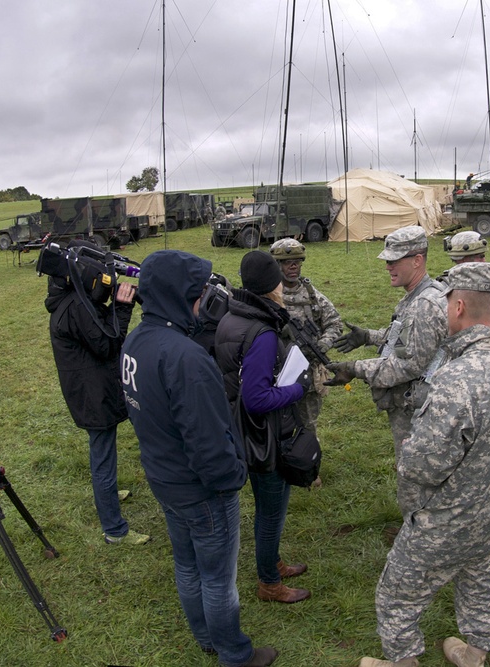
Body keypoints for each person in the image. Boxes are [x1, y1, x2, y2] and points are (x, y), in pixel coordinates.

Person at [359, 263, 490, 667]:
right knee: (479, 580)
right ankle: (475, 650)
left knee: (397, 594)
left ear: (458, 307)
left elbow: (422, 467)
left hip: (447, 519)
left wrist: (409, 447)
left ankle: (403, 660)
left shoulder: (454, 381)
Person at [121, 250, 276, 667]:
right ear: (180, 294)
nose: (205, 297)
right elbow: (207, 442)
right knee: (217, 578)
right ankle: (234, 653)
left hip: (164, 478)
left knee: (187, 564)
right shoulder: (186, 358)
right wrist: (232, 478)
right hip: (201, 489)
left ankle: (206, 637)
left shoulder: (135, 340)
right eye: (198, 290)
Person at [215, 250, 311, 604]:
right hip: (263, 436)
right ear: (272, 286)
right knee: (272, 511)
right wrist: (297, 388)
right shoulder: (263, 332)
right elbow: (257, 398)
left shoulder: (232, 316)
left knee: (267, 507)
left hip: (240, 427)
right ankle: (269, 581)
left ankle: (273, 562)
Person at [44, 240, 148, 545]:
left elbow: (97, 326)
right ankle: (114, 529)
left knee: (102, 449)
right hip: (92, 394)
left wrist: (107, 300)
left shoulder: (70, 300)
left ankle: (108, 494)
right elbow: (107, 342)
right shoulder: (75, 307)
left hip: (90, 389)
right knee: (102, 453)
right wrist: (122, 306)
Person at [325, 226, 448, 457]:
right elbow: (406, 341)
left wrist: (355, 368)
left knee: (415, 477)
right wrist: (369, 336)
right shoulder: (417, 297)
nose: (387, 267)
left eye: (394, 261)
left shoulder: (425, 305)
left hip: (421, 413)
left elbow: (408, 364)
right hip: (415, 405)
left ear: (417, 260)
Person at [269, 238, 342, 485]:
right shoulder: (269, 295)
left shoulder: (312, 295)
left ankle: (308, 469)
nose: (293, 267)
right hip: (275, 371)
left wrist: (323, 343)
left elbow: (334, 322)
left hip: (309, 372)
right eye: (287, 262)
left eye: (297, 262)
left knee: (307, 423)